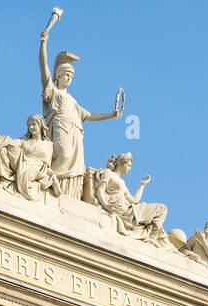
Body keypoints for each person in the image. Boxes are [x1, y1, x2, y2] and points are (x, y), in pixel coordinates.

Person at [39, 23, 123, 198]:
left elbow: (91, 116)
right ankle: (44, 181)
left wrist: (111, 114)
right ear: (58, 77)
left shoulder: (73, 101)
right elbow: (44, 65)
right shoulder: (53, 92)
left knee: (75, 163)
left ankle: (64, 193)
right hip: (60, 128)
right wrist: (44, 43)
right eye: (66, 75)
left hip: (75, 133)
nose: (69, 78)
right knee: (63, 155)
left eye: (71, 76)